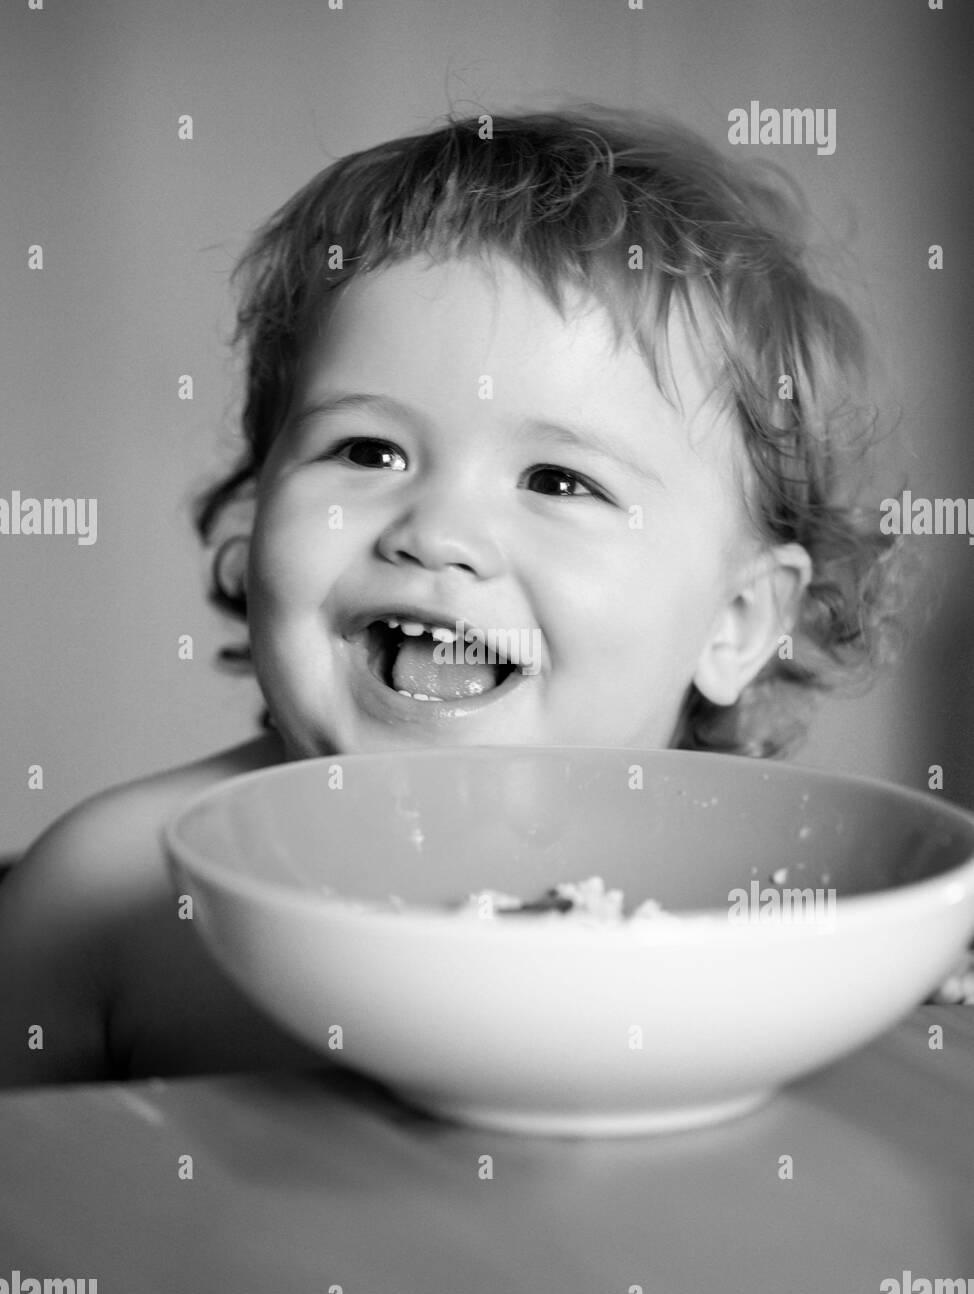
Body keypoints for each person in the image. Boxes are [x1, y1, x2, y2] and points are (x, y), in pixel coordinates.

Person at [0, 106, 903, 1086]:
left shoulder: (793, 936)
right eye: (365, 451)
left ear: (735, 624)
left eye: (558, 481)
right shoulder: (109, 895)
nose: (435, 532)